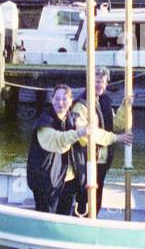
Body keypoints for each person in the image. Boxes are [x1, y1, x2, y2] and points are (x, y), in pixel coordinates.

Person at [27, 84, 115, 215]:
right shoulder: (44, 121)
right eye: (57, 98)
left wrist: (117, 138)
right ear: (52, 100)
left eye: (64, 99)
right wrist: (79, 133)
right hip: (46, 182)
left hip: (69, 181)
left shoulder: (74, 118)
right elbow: (59, 141)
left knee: (65, 216)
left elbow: (93, 136)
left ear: (70, 102)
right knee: (46, 218)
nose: (60, 102)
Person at [81, 67, 133, 211]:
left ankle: (94, 218)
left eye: (102, 82)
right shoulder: (82, 104)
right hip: (87, 158)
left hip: (102, 159)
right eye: (96, 81)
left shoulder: (104, 102)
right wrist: (117, 138)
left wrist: (125, 106)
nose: (99, 85)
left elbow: (115, 124)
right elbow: (91, 133)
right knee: (85, 196)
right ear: (89, 83)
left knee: (97, 195)